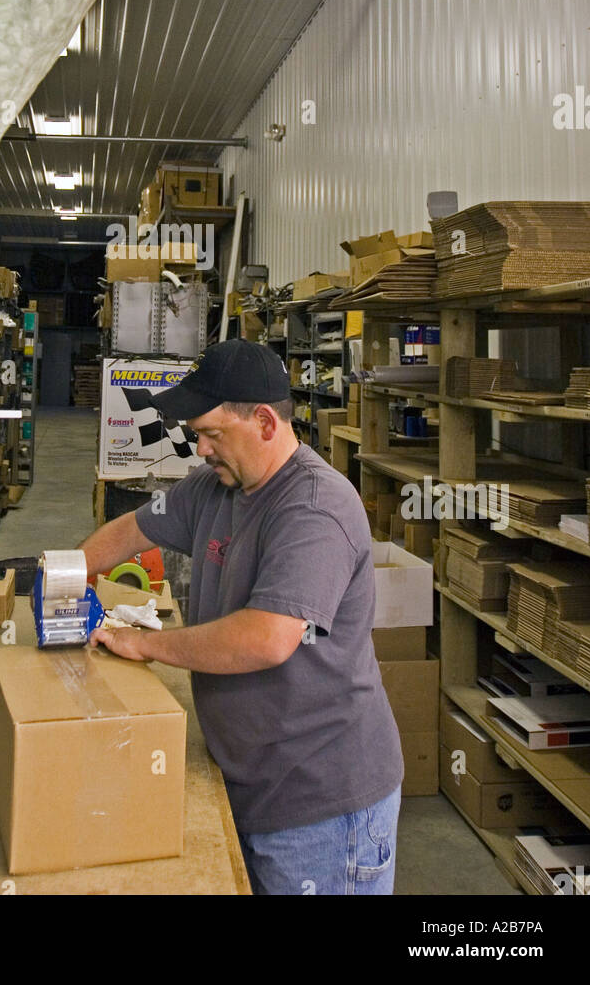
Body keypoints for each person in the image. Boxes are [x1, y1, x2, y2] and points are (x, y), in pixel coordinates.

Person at [79, 338, 404, 896]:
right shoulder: (213, 487)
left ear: (264, 423)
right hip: (250, 779)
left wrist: (148, 644)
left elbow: (268, 638)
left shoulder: (315, 507)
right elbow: (131, 529)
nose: (199, 448)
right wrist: (66, 577)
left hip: (320, 803)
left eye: (210, 433)